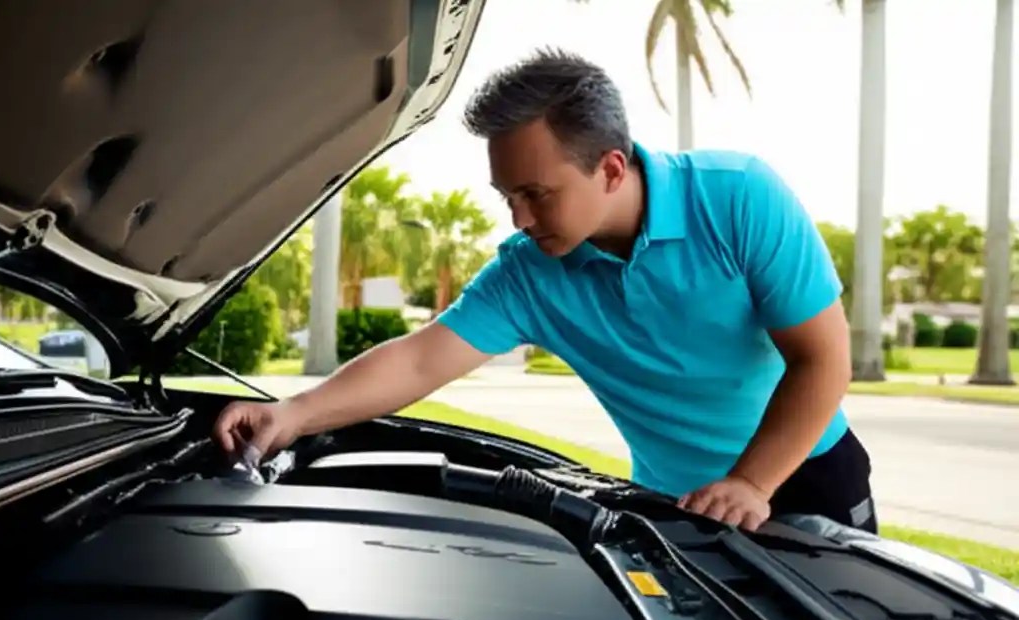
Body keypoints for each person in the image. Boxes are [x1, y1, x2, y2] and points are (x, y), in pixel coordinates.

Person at [213, 47, 877, 534]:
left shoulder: (739, 200)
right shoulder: (529, 272)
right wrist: (292, 415)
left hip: (805, 476)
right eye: (507, 196)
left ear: (611, 168)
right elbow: (419, 358)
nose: (520, 220)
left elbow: (822, 360)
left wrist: (751, 483)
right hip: (676, 503)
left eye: (537, 194)